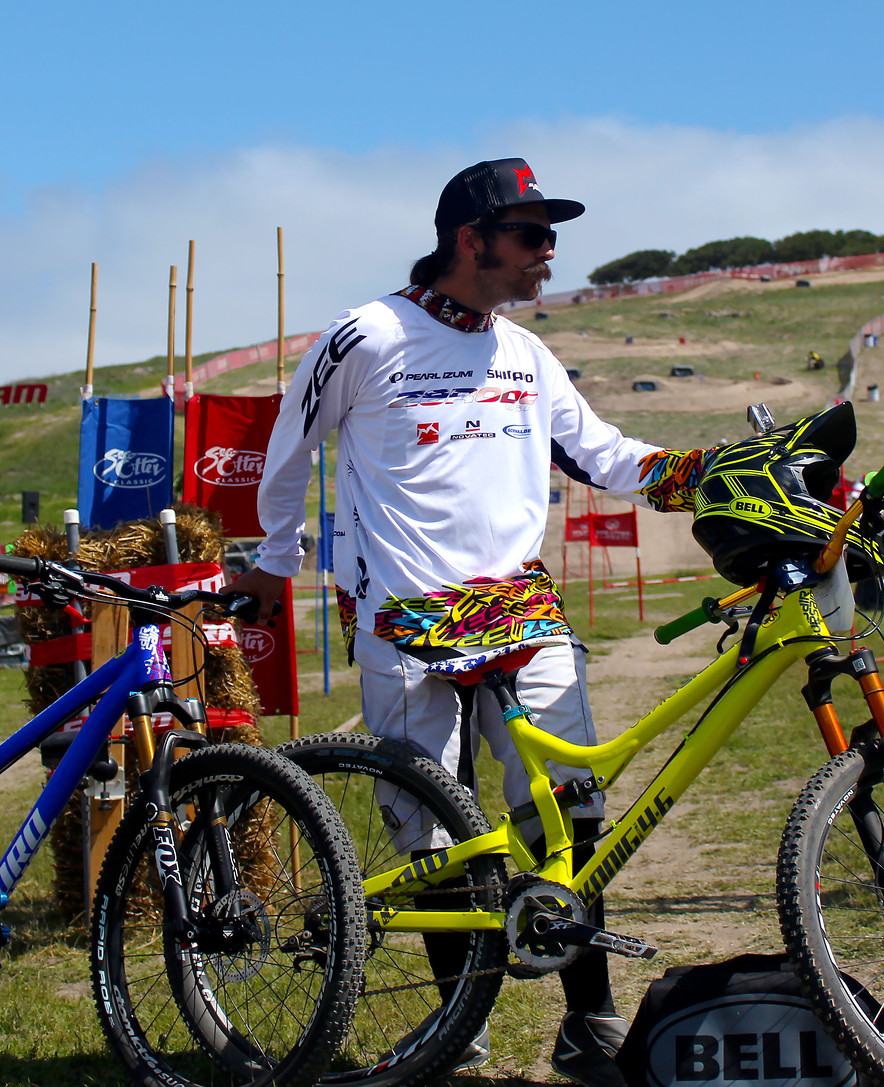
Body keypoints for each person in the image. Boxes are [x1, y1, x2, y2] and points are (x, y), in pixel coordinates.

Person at [231, 158, 713, 1087]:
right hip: (407, 616)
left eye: (549, 235)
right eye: (532, 234)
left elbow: (602, 453)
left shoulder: (526, 353)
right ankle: (458, 1036)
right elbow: (287, 455)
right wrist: (275, 563)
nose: (549, 253)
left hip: (517, 610)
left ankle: (592, 1026)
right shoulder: (366, 336)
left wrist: (700, 474)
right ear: (472, 239)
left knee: (569, 816)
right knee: (434, 839)